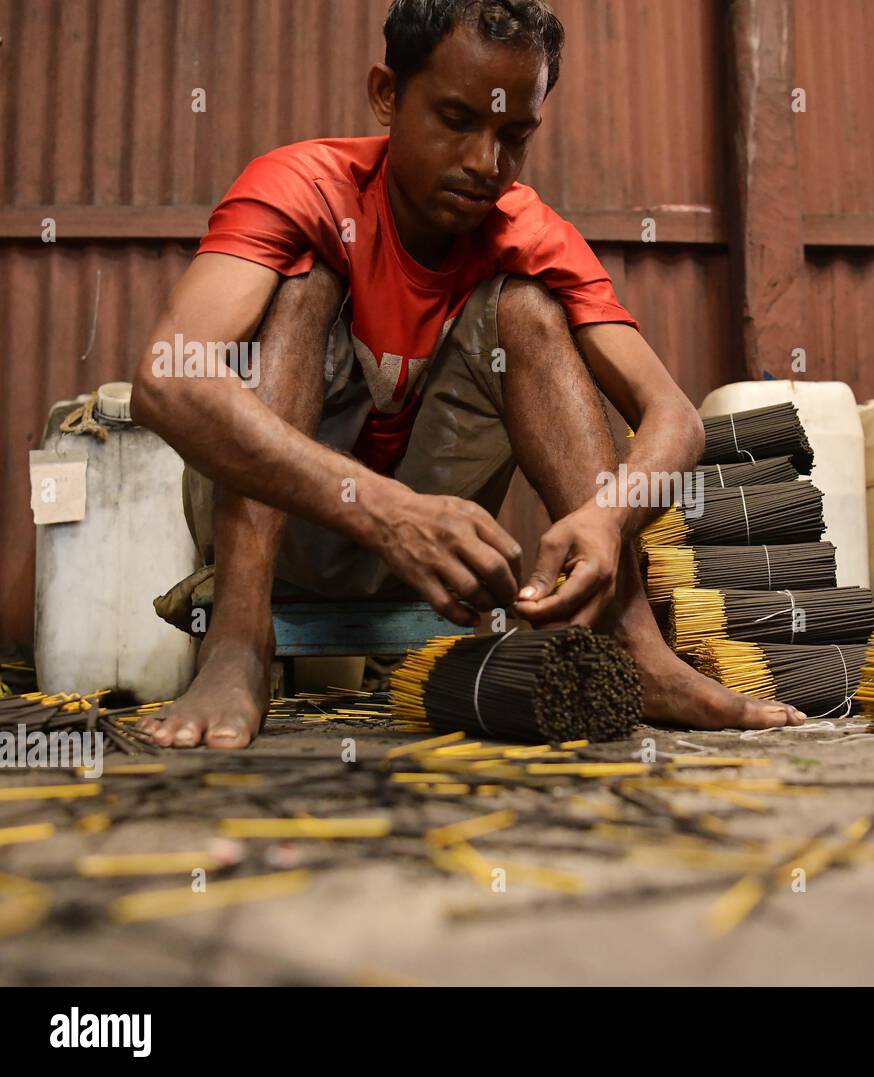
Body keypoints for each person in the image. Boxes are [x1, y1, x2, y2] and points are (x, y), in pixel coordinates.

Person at [132, 0, 806, 748]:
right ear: (387, 94)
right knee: (305, 282)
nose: (486, 163)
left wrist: (610, 517)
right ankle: (238, 638)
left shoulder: (526, 231)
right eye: (457, 120)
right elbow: (166, 379)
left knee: (528, 309)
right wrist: (386, 510)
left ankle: (636, 645)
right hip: (287, 526)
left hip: (434, 545)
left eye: (514, 136)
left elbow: (672, 414)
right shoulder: (305, 185)